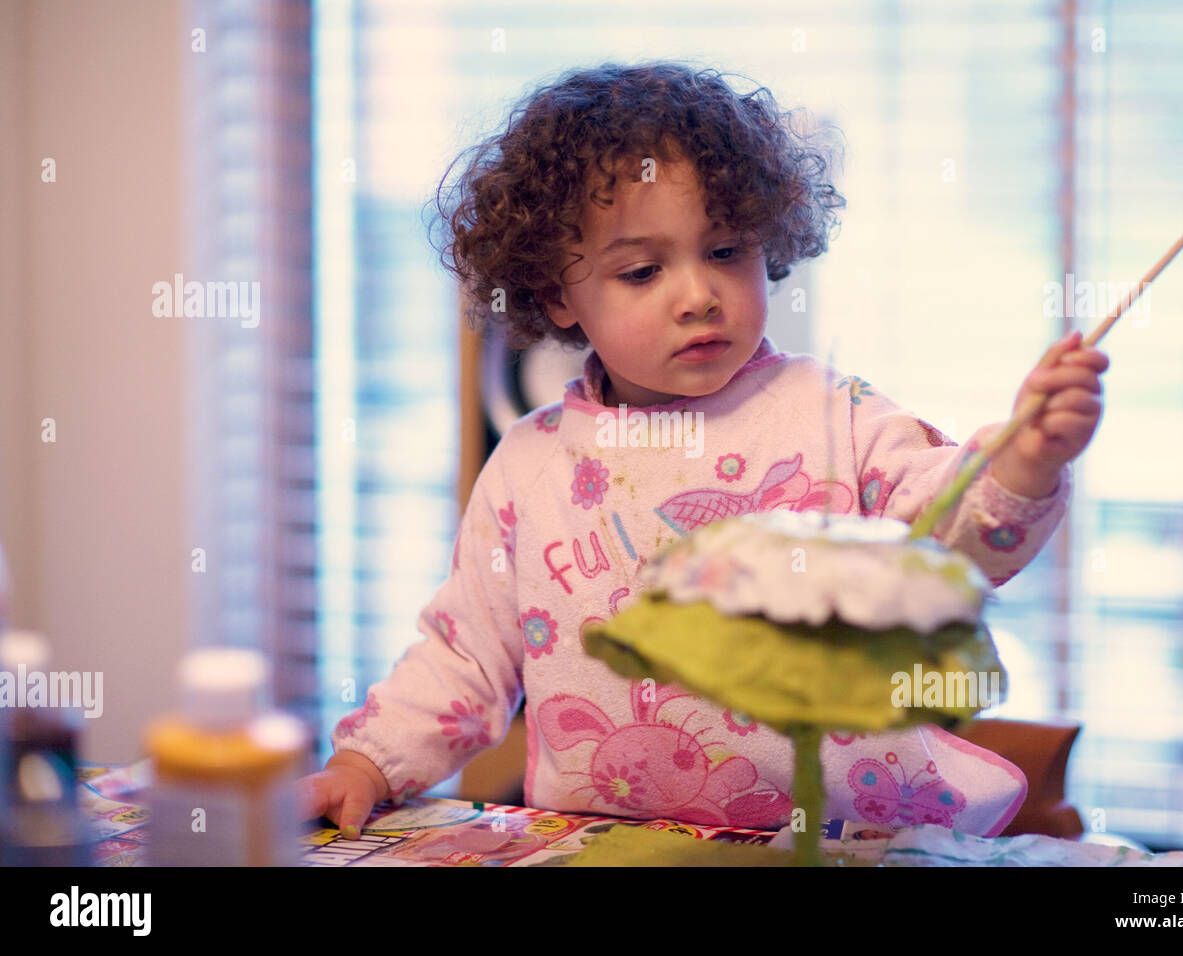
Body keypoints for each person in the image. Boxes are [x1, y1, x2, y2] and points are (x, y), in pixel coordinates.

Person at [297, 61, 1108, 840]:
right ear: (557, 295)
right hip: (609, 840)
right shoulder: (527, 465)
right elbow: (465, 653)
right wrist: (370, 762)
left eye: (726, 251)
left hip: (852, 838)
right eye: (644, 270)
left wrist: (1024, 464)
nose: (698, 295)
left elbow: (950, 552)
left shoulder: (837, 415)